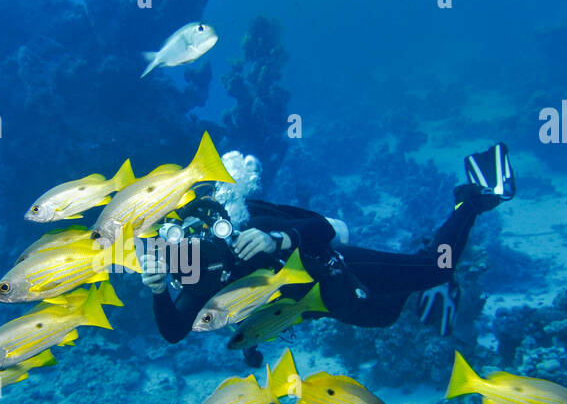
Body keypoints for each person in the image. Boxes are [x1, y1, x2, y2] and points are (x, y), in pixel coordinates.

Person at [142, 144, 515, 364]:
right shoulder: (199, 280)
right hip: (324, 305)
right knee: (384, 317)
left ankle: (470, 200)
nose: (195, 277)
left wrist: (278, 240)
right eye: (183, 272)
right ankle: (422, 272)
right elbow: (174, 331)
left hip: (340, 270)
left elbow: (321, 227)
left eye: (199, 261)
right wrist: (159, 292)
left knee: (437, 267)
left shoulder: (247, 225)